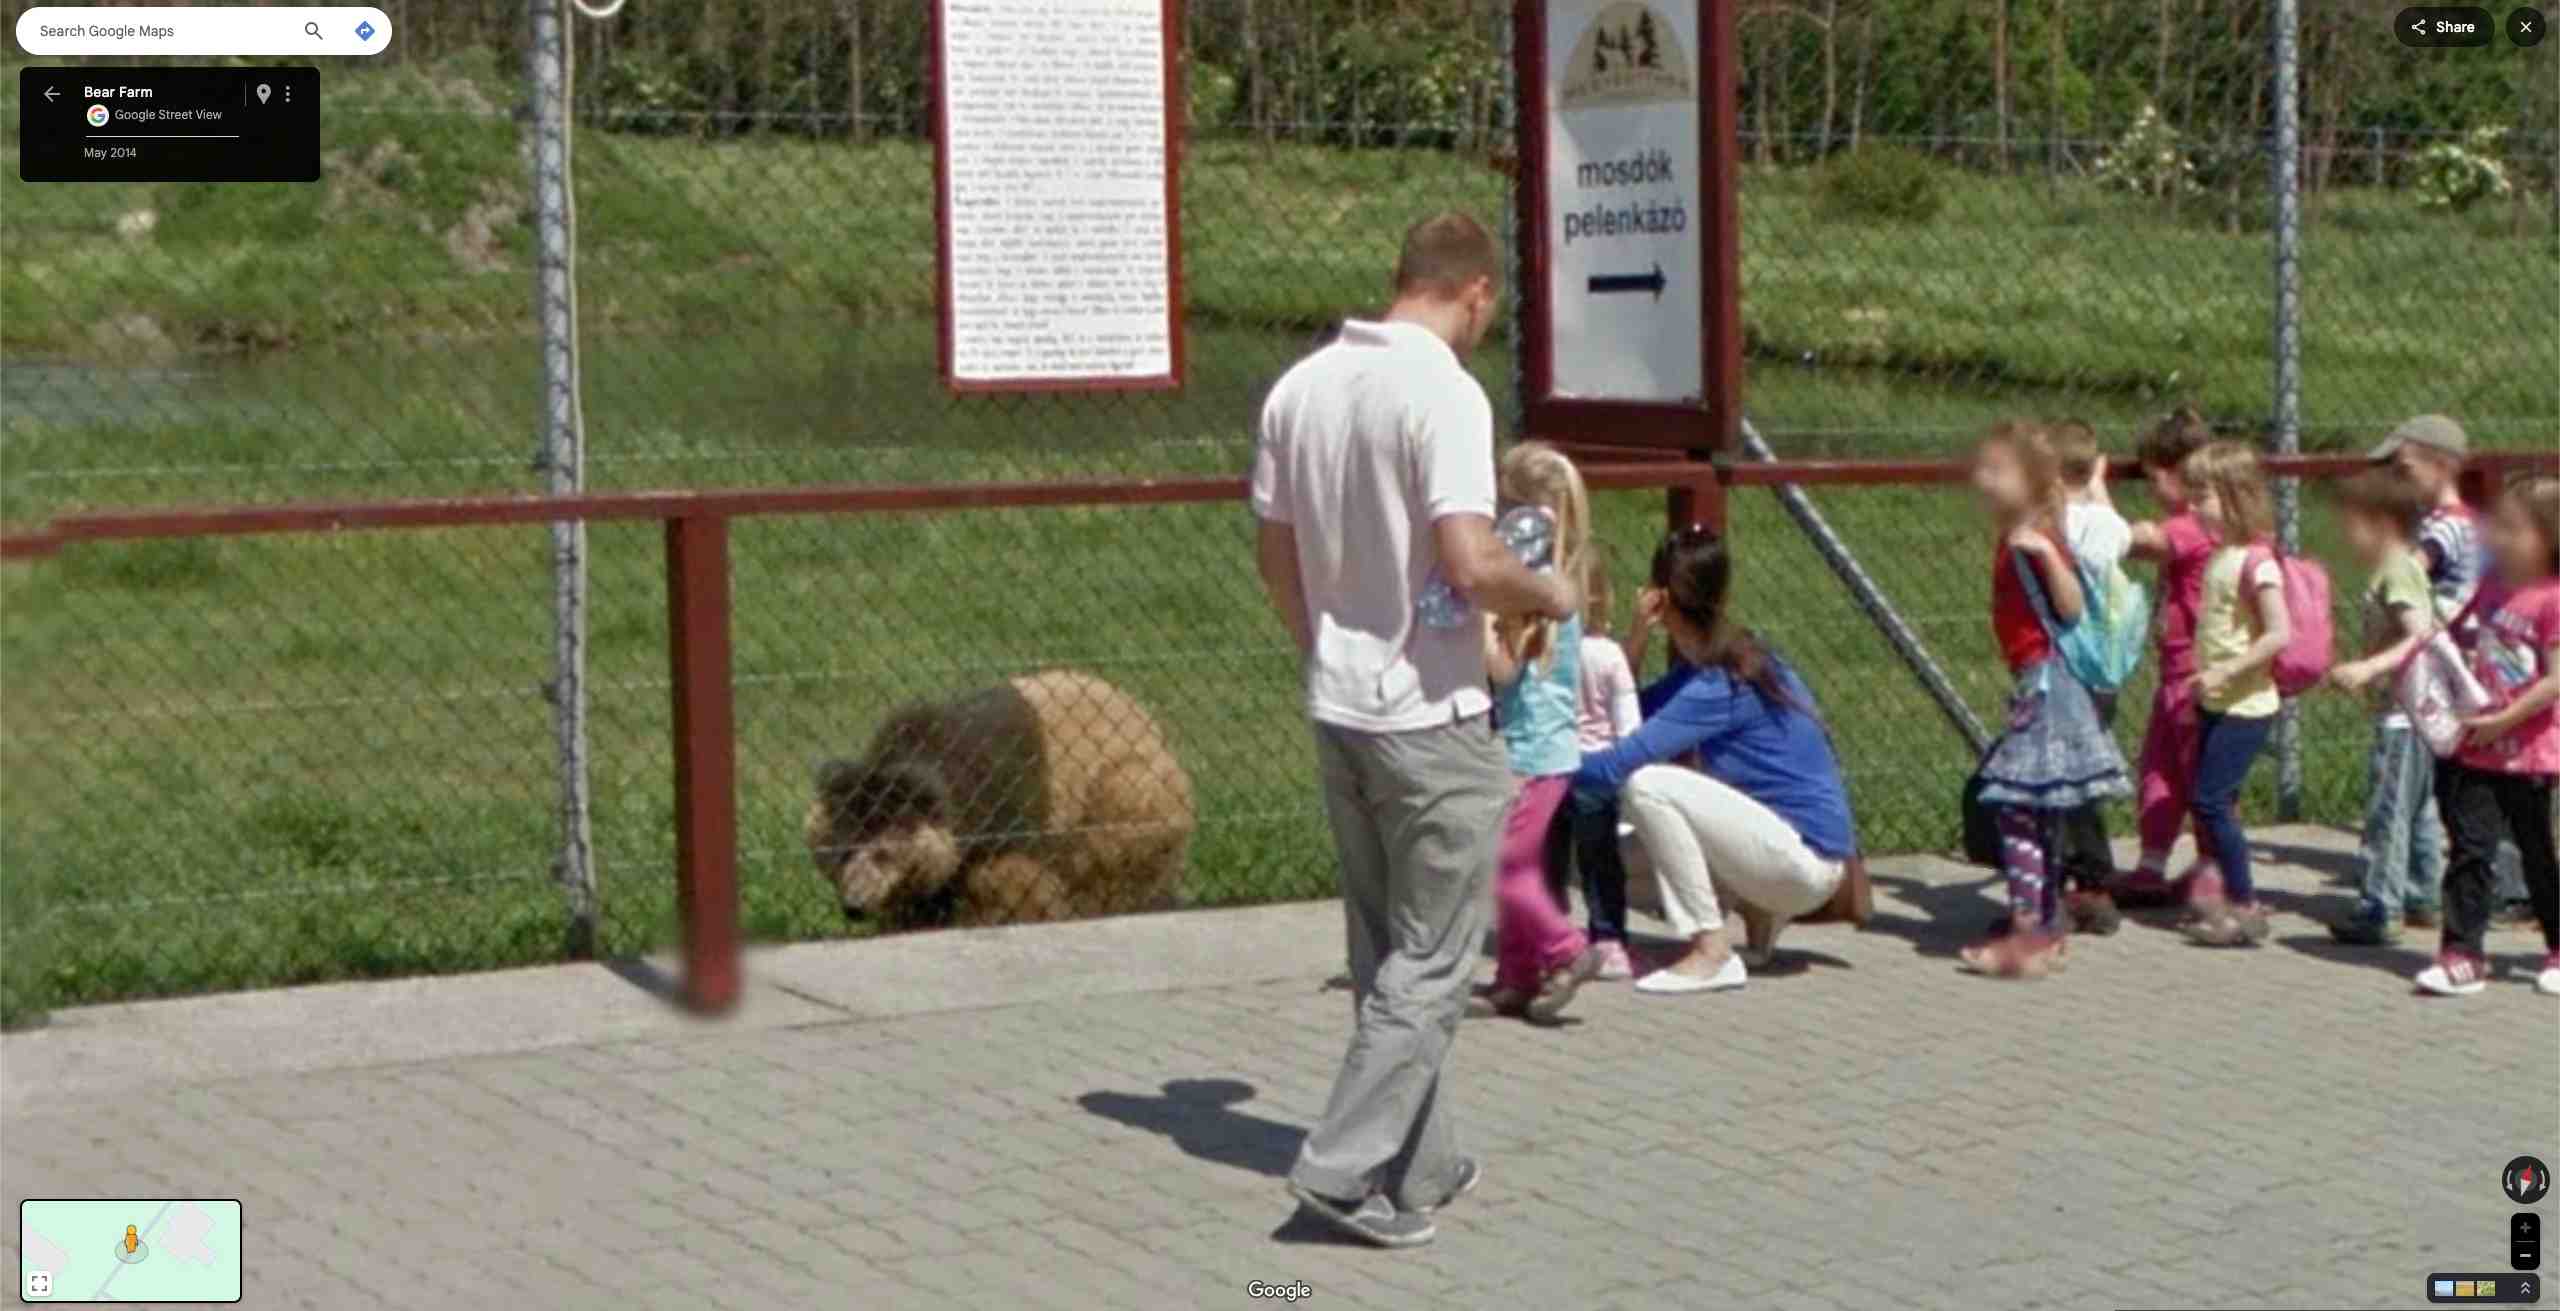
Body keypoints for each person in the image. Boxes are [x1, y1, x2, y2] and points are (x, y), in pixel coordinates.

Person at [1249, 211, 1577, 1248]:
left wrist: (1322, 645)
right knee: (1433, 962)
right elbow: (1471, 560)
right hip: (1431, 717)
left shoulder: (1299, 387)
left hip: (1339, 705)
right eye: (1491, 309)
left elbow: (1274, 554)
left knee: (1385, 950)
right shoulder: (1444, 390)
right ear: (1475, 292)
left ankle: (1422, 1161)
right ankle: (1340, 1171)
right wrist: (1552, 591)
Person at [1571, 525, 1858, 994]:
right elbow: (1628, 712)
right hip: (1797, 857)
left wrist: (1533, 766)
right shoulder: (1729, 660)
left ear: (1659, 597)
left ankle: (1711, 950)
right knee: (1602, 848)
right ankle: (1757, 914)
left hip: (1802, 867)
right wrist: (1638, 637)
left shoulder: (1718, 683)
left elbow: (1616, 764)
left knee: (1648, 786)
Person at [1960, 421, 2132, 977]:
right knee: (2041, 811)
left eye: (1997, 470)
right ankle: (2046, 925)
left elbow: (2072, 606)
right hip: (2038, 683)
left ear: (2032, 480)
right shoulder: (2018, 531)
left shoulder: (2035, 536)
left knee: (2018, 811)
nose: (1982, 479)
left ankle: (2028, 933)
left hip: (2049, 686)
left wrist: (2046, 555)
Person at [2373, 413, 2533, 924]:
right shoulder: (2455, 525)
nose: (2396, 480)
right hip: (2452, 667)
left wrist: (2384, 632)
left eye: (2404, 469)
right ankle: (2433, 890)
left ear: (2441, 465)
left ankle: (2406, 898)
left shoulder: (2445, 528)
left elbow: (2406, 577)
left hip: (2444, 672)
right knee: (2446, 787)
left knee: (2459, 787)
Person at [2418, 476, 2560, 997]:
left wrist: (2504, 720)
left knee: (2537, 854)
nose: (2497, 537)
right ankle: (2462, 954)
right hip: (2477, 749)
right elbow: (2457, 640)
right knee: (2470, 850)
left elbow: (2555, 680)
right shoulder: (2490, 585)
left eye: (2512, 529)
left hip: (2529, 754)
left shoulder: (2551, 599)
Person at [1481, 442, 1608, 1021]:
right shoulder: (1560, 583)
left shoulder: (1527, 592)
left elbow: (1503, 669)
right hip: (1549, 750)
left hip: (1531, 755)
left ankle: (1566, 949)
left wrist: (1481, 618)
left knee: (1504, 866)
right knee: (1520, 867)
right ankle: (1516, 976)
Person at [2320, 468, 2447, 945]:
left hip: (2404, 715)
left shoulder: (2397, 570)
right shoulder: (2396, 569)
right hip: (2410, 712)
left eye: (2350, 524)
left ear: (2381, 523)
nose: (2345, 537)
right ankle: (2422, 895)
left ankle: (2380, 906)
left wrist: (2369, 668)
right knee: (2418, 808)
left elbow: (2422, 635)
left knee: (2388, 811)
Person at [2174, 441, 2292, 948]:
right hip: (2216, 700)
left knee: (2211, 800)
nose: (2193, 506)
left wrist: (2227, 668)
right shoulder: (2220, 555)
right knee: (2212, 803)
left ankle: (2245, 903)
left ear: (2235, 497)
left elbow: (2278, 632)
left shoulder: (2257, 562)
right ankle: (2223, 898)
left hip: (2246, 705)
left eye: (2203, 496)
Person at [2114, 408, 2221, 907]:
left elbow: (2142, 543)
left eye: (2152, 478)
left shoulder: (2196, 526)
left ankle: (2213, 868)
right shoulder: (2216, 521)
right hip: (2176, 672)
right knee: (2159, 765)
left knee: (2201, 774)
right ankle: (2153, 862)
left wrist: (2095, 509)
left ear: (2178, 473)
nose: (2151, 490)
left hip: (2199, 674)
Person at [2049, 419, 2131, 934]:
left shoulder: (2055, 526)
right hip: (2104, 668)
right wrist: (2099, 483)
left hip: (2063, 666)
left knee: (2057, 778)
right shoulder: (2108, 525)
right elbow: (2111, 526)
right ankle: (2096, 881)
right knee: (2087, 779)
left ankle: (2057, 882)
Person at [1555, 549, 1641, 980]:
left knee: (1550, 858)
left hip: (1553, 764)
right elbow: (1629, 723)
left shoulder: (1549, 650)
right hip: (1600, 770)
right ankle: (1608, 938)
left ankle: (1551, 936)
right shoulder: (1609, 655)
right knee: (1600, 860)